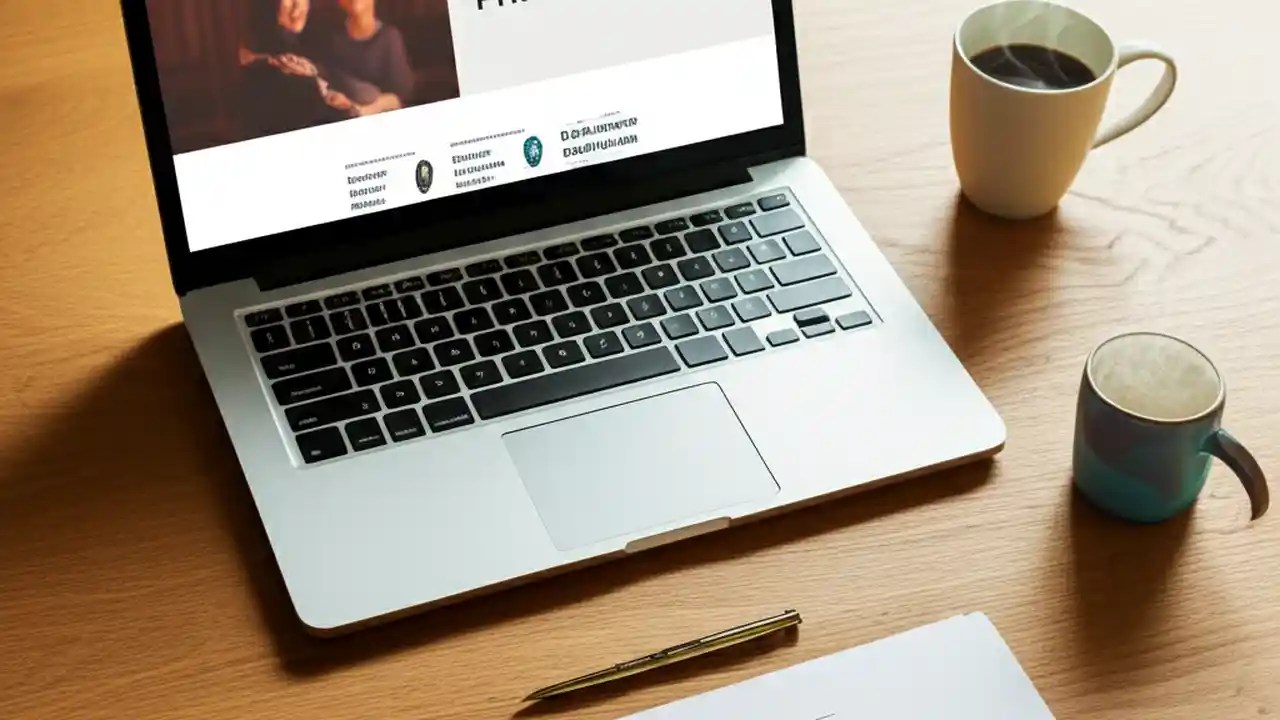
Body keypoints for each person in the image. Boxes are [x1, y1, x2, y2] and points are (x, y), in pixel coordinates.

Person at [239, 0, 353, 137]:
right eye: (286, 6)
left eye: (299, 2)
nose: (295, 12)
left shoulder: (326, 32)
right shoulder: (265, 53)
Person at [320, 0, 416, 117]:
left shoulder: (389, 37)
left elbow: (400, 97)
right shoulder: (331, 38)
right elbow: (327, 80)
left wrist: (362, 110)